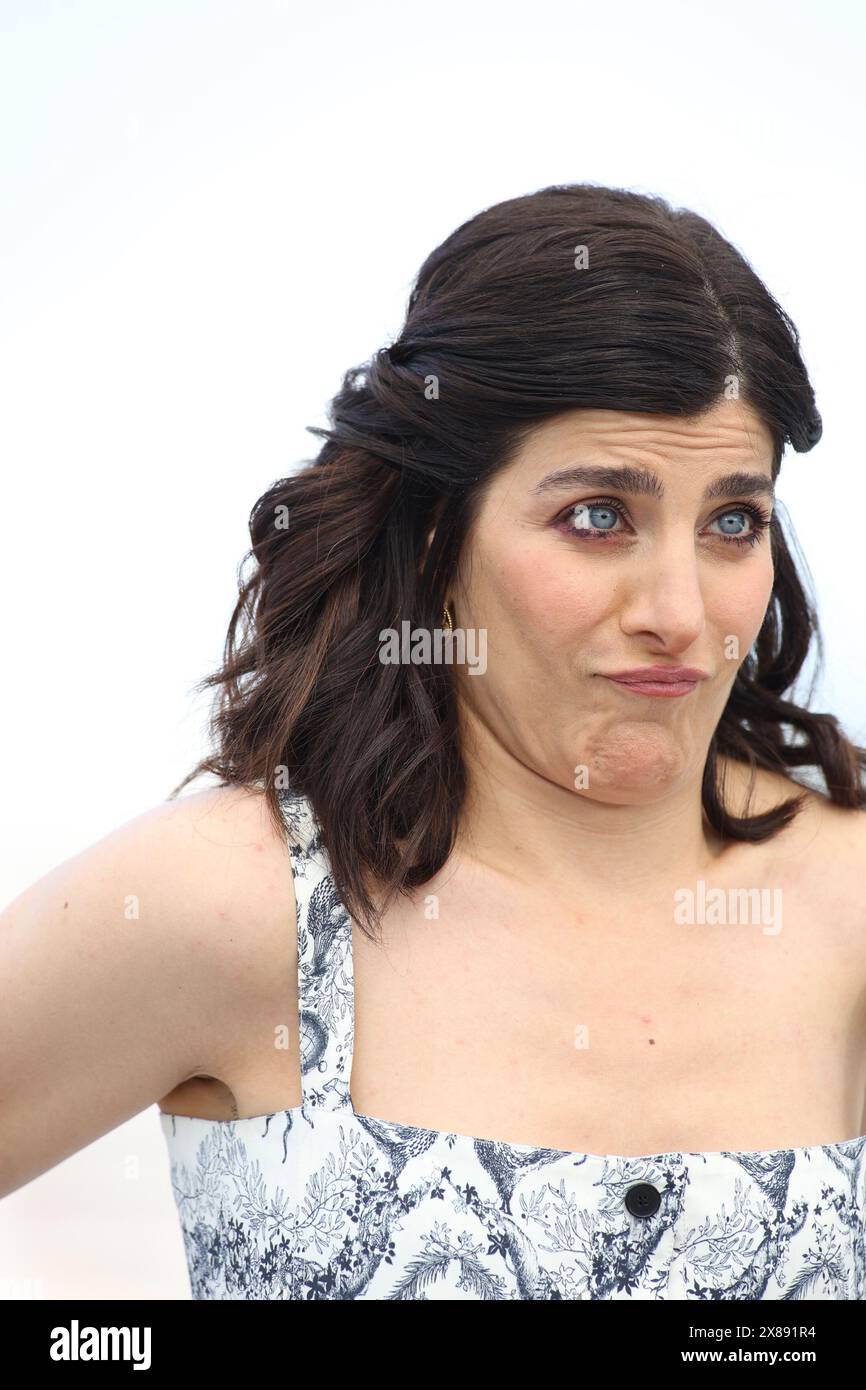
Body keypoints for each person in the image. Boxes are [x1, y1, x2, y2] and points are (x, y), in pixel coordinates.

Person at [2, 183, 865, 1301]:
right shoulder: (233, 909)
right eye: (597, 515)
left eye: (730, 522)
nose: (679, 609)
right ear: (434, 531)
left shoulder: (848, 904)